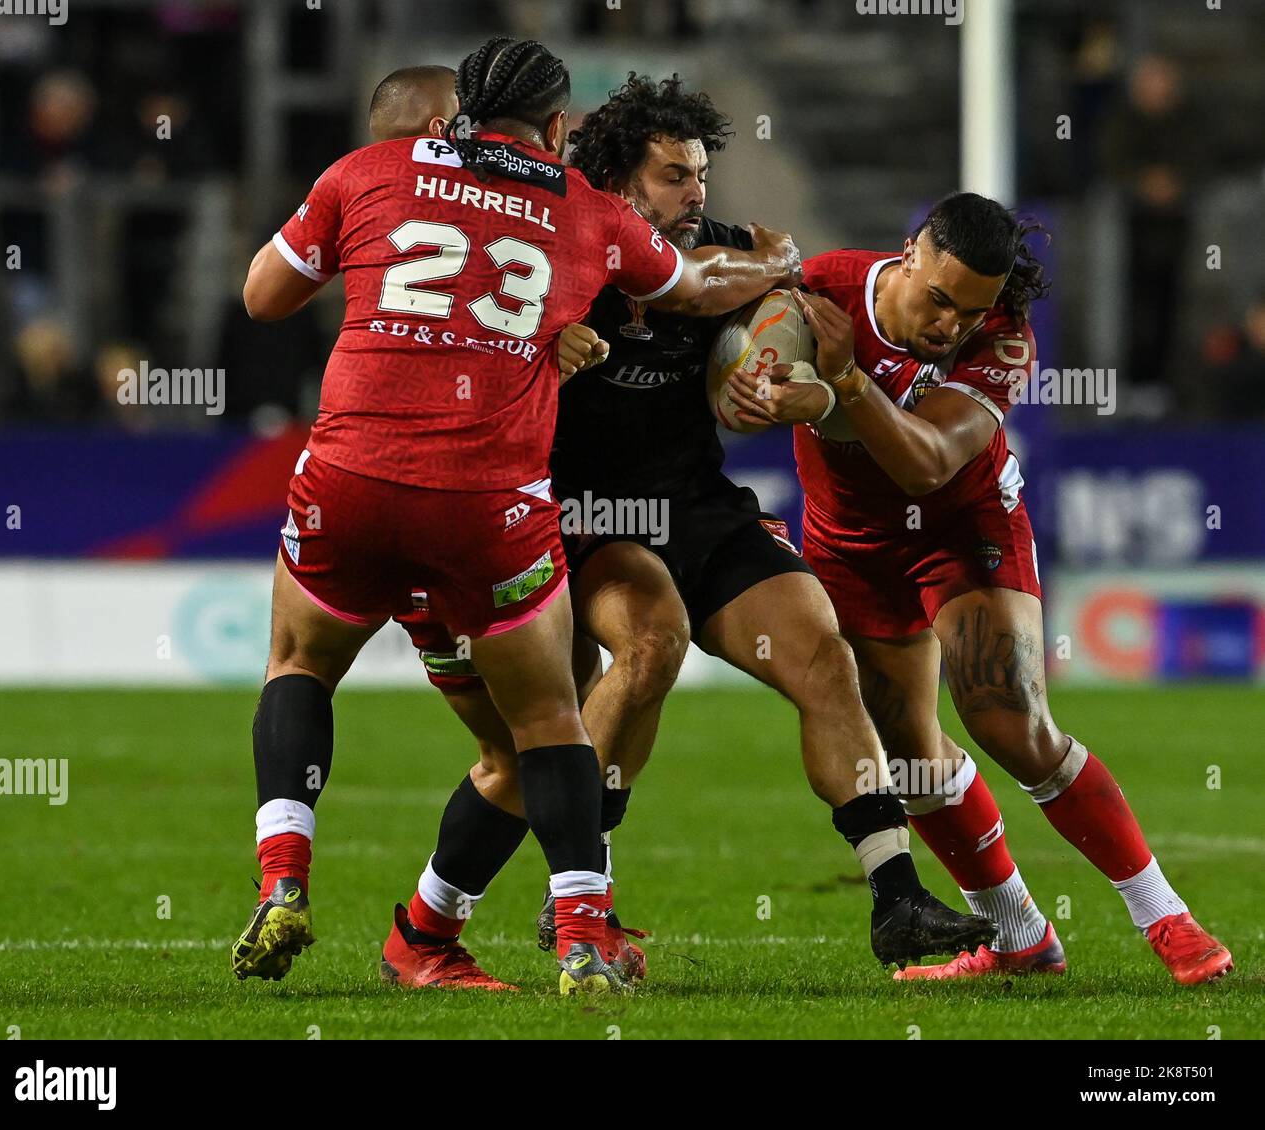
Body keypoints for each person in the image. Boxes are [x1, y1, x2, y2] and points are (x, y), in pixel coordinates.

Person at [230, 38, 803, 996]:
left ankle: (287, 880)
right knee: (545, 723)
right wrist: (776, 261)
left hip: (354, 475)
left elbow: (261, 297)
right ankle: (580, 933)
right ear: (555, 127)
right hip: (486, 501)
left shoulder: (365, 172)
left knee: (300, 666)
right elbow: (699, 286)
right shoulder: (588, 212)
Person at [727, 191, 1233, 985]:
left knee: (1009, 722)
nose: (950, 325)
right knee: (913, 758)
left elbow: (928, 460)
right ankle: (1018, 936)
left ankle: (1165, 916)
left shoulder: (1003, 341)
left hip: (964, 534)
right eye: (940, 300)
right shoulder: (823, 292)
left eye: (971, 310)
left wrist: (845, 387)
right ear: (909, 254)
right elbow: (731, 385)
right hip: (850, 548)